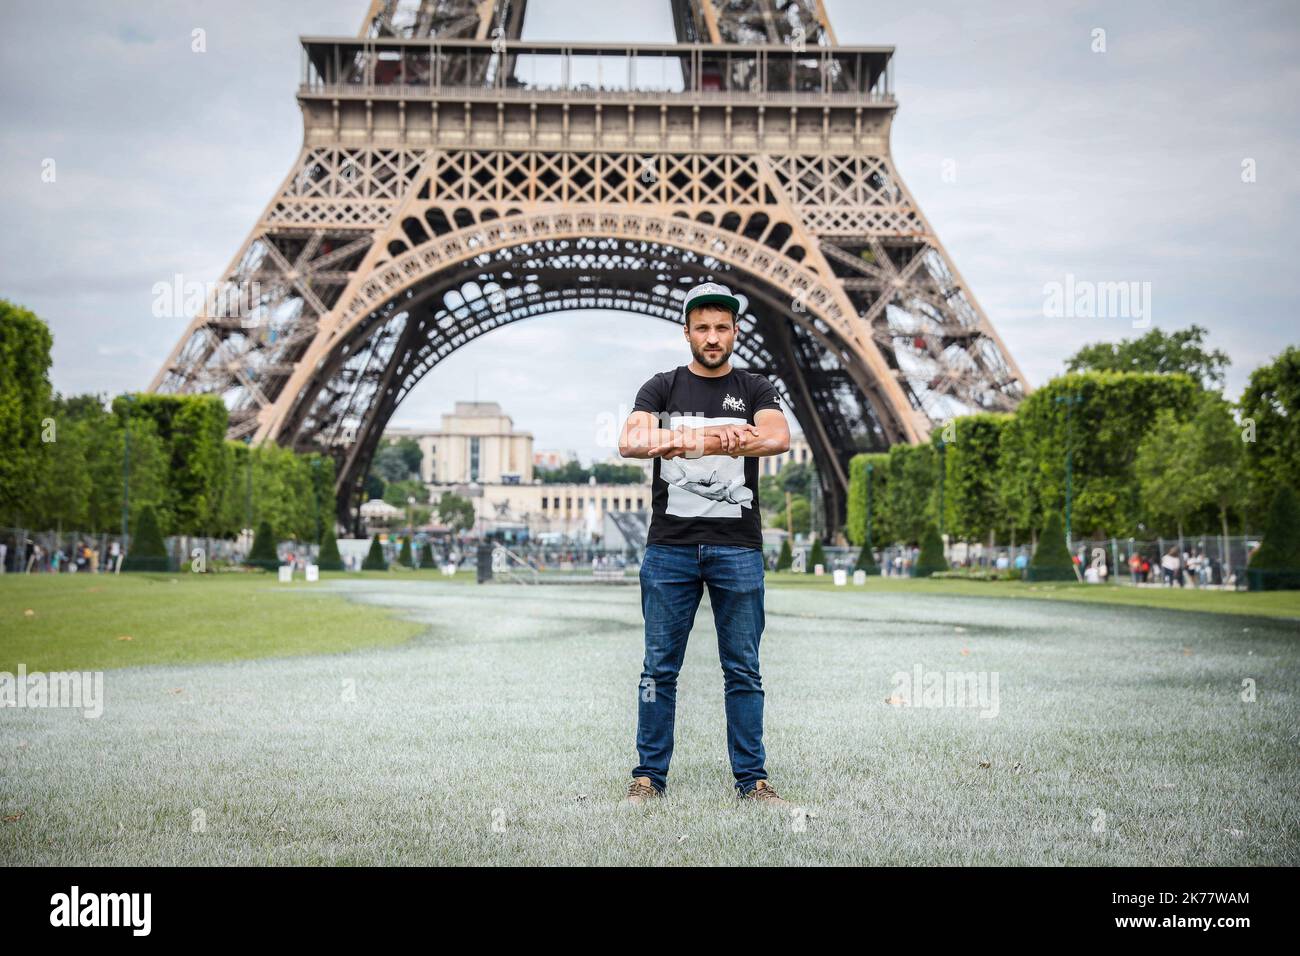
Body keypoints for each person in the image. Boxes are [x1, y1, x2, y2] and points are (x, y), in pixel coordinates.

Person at [618, 280, 792, 808]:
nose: (712, 337)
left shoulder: (757, 388)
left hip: (736, 547)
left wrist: (672, 441)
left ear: (734, 330)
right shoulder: (661, 386)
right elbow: (629, 442)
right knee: (657, 670)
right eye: (703, 328)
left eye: (722, 328)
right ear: (687, 332)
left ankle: (752, 781)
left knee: (743, 669)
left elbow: (778, 437)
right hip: (669, 548)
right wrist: (717, 437)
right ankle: (648, 777)